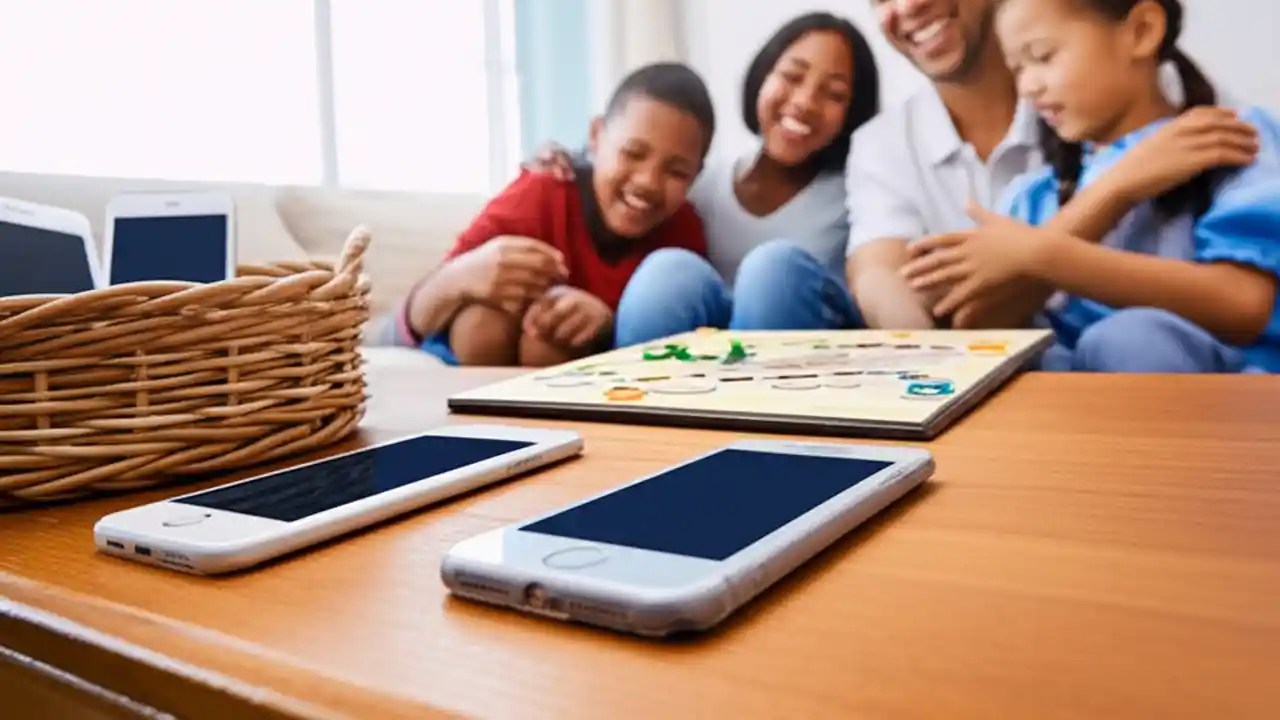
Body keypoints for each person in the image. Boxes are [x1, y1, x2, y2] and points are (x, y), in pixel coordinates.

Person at [900, 0, 1280, 373]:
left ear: (1141, 31)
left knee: (1131, 340)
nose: (1028, 86)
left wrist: (1044, 254)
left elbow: (1245, 305)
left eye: (1043, 56)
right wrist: (1116, 190)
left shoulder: (1225, 138)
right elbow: (975, 326)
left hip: (1215, 412)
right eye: (1017, 68)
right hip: (1066, 415)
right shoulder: (1032, 196)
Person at [528, 12, 880, 345]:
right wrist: (574, 157)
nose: (804, 102)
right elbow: (625, 182)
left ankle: (762, 407)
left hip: (814, 343)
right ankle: (642, 403)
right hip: (714, 351)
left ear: (852, 113)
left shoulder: (859, 190)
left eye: (833, 94)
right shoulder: (700, 182)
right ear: (762, 77)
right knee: (668, 271)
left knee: (772, 269)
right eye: (791, 76)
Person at [373, 63, 714, 366]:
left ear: (697, 176)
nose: (648, 182)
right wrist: (462, 276)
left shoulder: (681, 237)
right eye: (633, 153)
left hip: (579, 367)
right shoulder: (542, 191)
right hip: (473, 349)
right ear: (596, 136)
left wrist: (607, 321)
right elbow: (403, 326)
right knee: (482, 323)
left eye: (677, 172)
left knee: (549, 342)